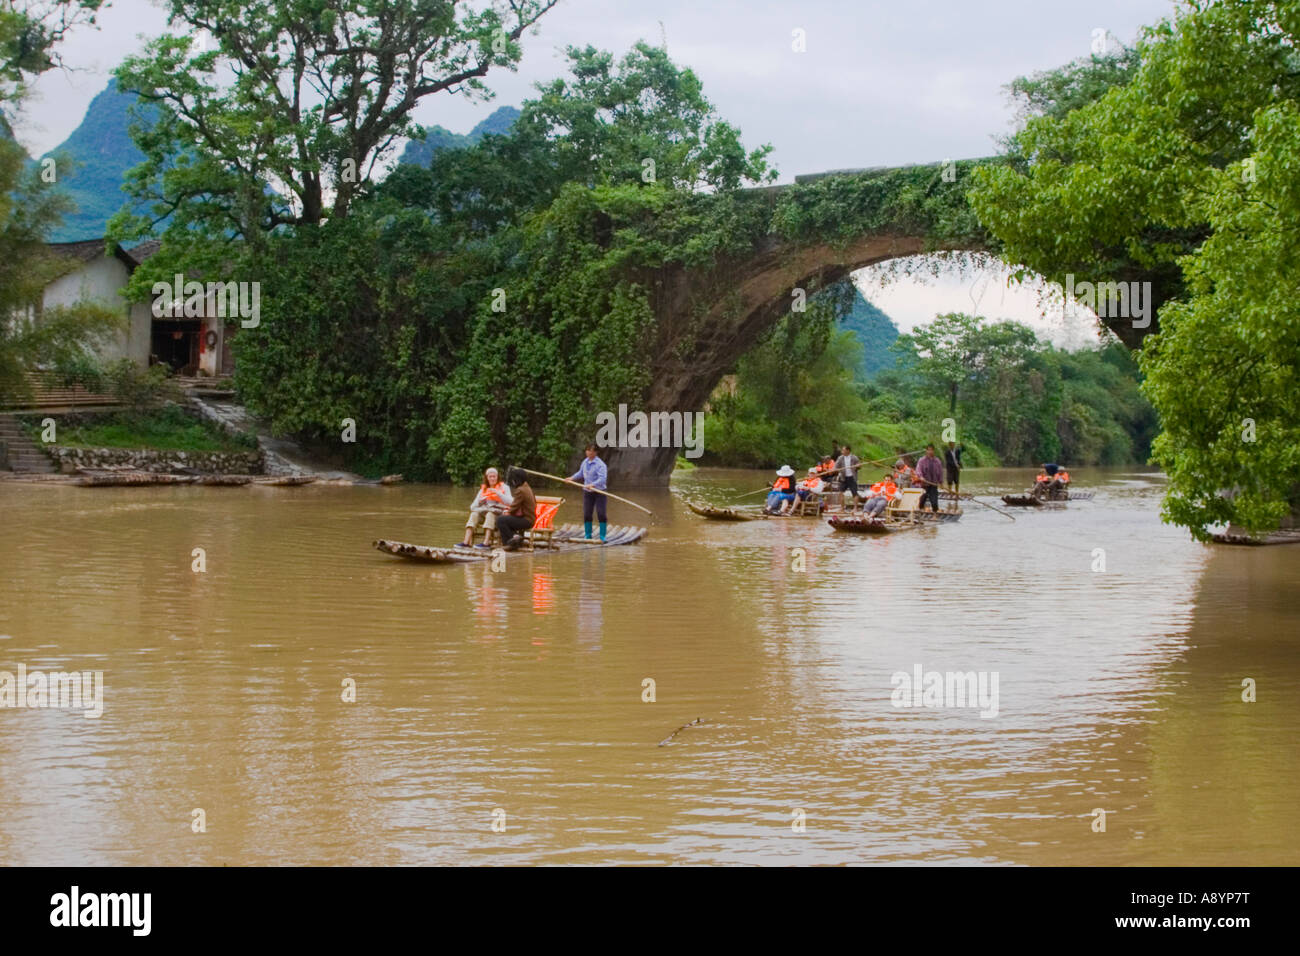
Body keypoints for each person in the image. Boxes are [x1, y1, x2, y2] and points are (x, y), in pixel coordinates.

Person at [459, 467, 512, 548]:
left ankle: (486, 543)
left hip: (498, 515)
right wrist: (480, 502)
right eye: (490, 476)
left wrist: (499, 494)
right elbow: (472, 507)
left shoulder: (505, 487)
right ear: (487, 478)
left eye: (494, 476)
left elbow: (511, 502)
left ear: (497, 477)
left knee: (490, 514)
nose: (492, 478)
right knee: (474, 514)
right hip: (484, 512)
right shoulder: (483, 489)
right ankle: (466, 542)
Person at [569, 443, 609, 541]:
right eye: (588, 450)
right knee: (587, 513)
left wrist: (593, 484)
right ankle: (588, 535)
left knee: (601, 513)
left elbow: (602, 479)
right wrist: (572, 478)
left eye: (592, 451)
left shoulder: (600, 464)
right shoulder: (585, 462)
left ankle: (602, 536)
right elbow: (580, 473)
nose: (589, 453)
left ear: (596, 452)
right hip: (587, 492)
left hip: (600, 492)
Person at [497, 468, 537, 551]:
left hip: (526, 520)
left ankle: (509, 543)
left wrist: (507, 512)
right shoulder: (527, 487)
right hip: (530, 519)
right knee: (505, 520)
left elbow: (514, 506)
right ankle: (515, 538)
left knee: (500, 520)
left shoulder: (520, 490)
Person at [914, 444, 944, 512]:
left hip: (933, 485)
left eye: (931, 450)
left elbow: (940, 473)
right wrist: (921, 477)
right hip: (924, 485)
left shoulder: (937, 461)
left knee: (934, 503)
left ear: (934, 451)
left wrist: (941, 482)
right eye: (929, 450)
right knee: (921, 501)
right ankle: (920, 512)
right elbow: (918, 470)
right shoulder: (922, 460)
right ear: (926, 451)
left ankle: (935, 514)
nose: (930, 451)